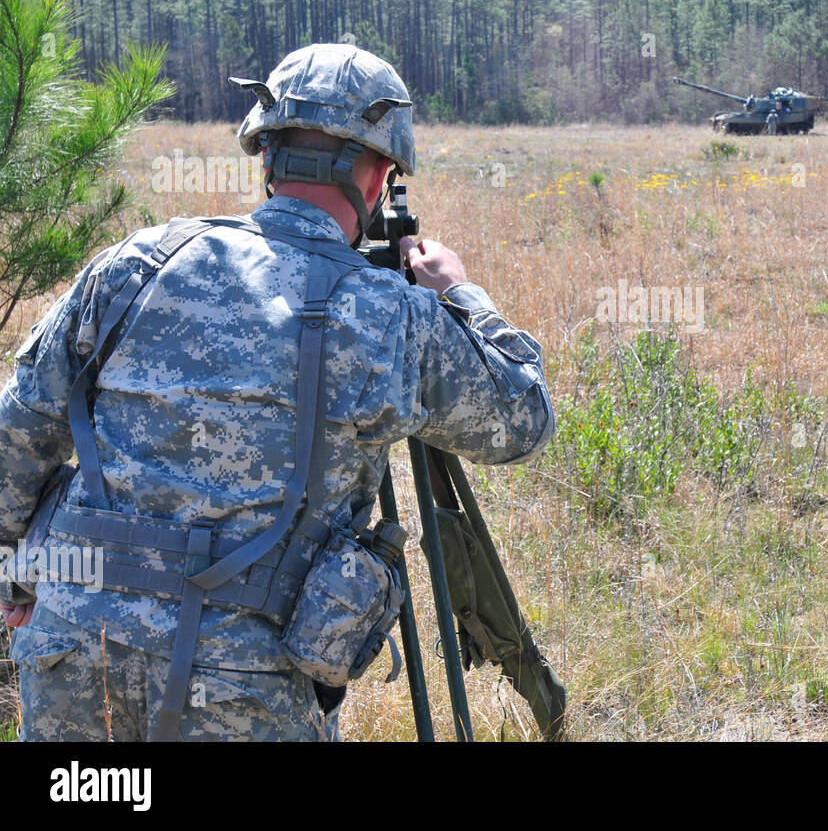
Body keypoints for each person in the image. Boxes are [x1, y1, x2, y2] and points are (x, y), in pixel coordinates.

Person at [0, 43, 554, 741]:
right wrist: (459, 293)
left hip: (75, 658)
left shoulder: (135, 264)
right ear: (381, 175)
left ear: (266, 159)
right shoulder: (388, 315)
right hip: (244, 689)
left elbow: (17, 436)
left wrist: (15, 575)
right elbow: (523, 417)